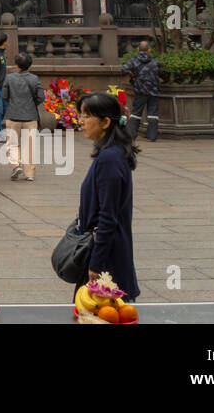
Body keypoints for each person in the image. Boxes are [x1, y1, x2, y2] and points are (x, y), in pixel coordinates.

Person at [76, 92, 140, 299]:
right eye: (81, 115)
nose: (81, 121)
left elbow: (107, 216)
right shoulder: (111, 154)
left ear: (105, 122)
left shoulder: (109, 159)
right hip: (106, 253)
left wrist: (97, 263)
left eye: (86, 116)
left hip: (107, 260)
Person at [2, 51, 44, 180]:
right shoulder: (34, 79)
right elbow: (41, 97)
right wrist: (31, 104)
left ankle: (16, 165)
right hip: (30, 116)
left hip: (13, 115)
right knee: (29, 146)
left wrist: (14, 103)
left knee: (12, 143)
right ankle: (29, 174)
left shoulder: (9, 78)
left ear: (16, 64)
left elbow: (4, 96)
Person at [123, 41, 161, 142]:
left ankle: (131, 134)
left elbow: (124, 69)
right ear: (149, 50)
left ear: (138, 49)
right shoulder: (155, 61)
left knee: (136, 112)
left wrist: (133, 75)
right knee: (153, 113)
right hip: (153, 90)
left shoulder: (133, 60)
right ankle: (152, 136)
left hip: (140, 90)